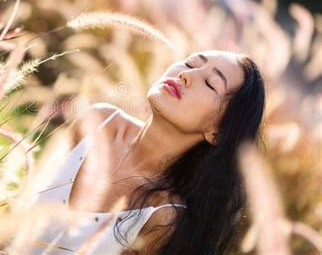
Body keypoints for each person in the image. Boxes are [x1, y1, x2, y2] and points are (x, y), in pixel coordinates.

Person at [24, 49, 265, 254]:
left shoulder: (162, 218)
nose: (186, 75)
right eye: (191, 63)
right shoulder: (97, 122)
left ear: (217, 132)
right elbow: (17, 206)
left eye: (211, 83)